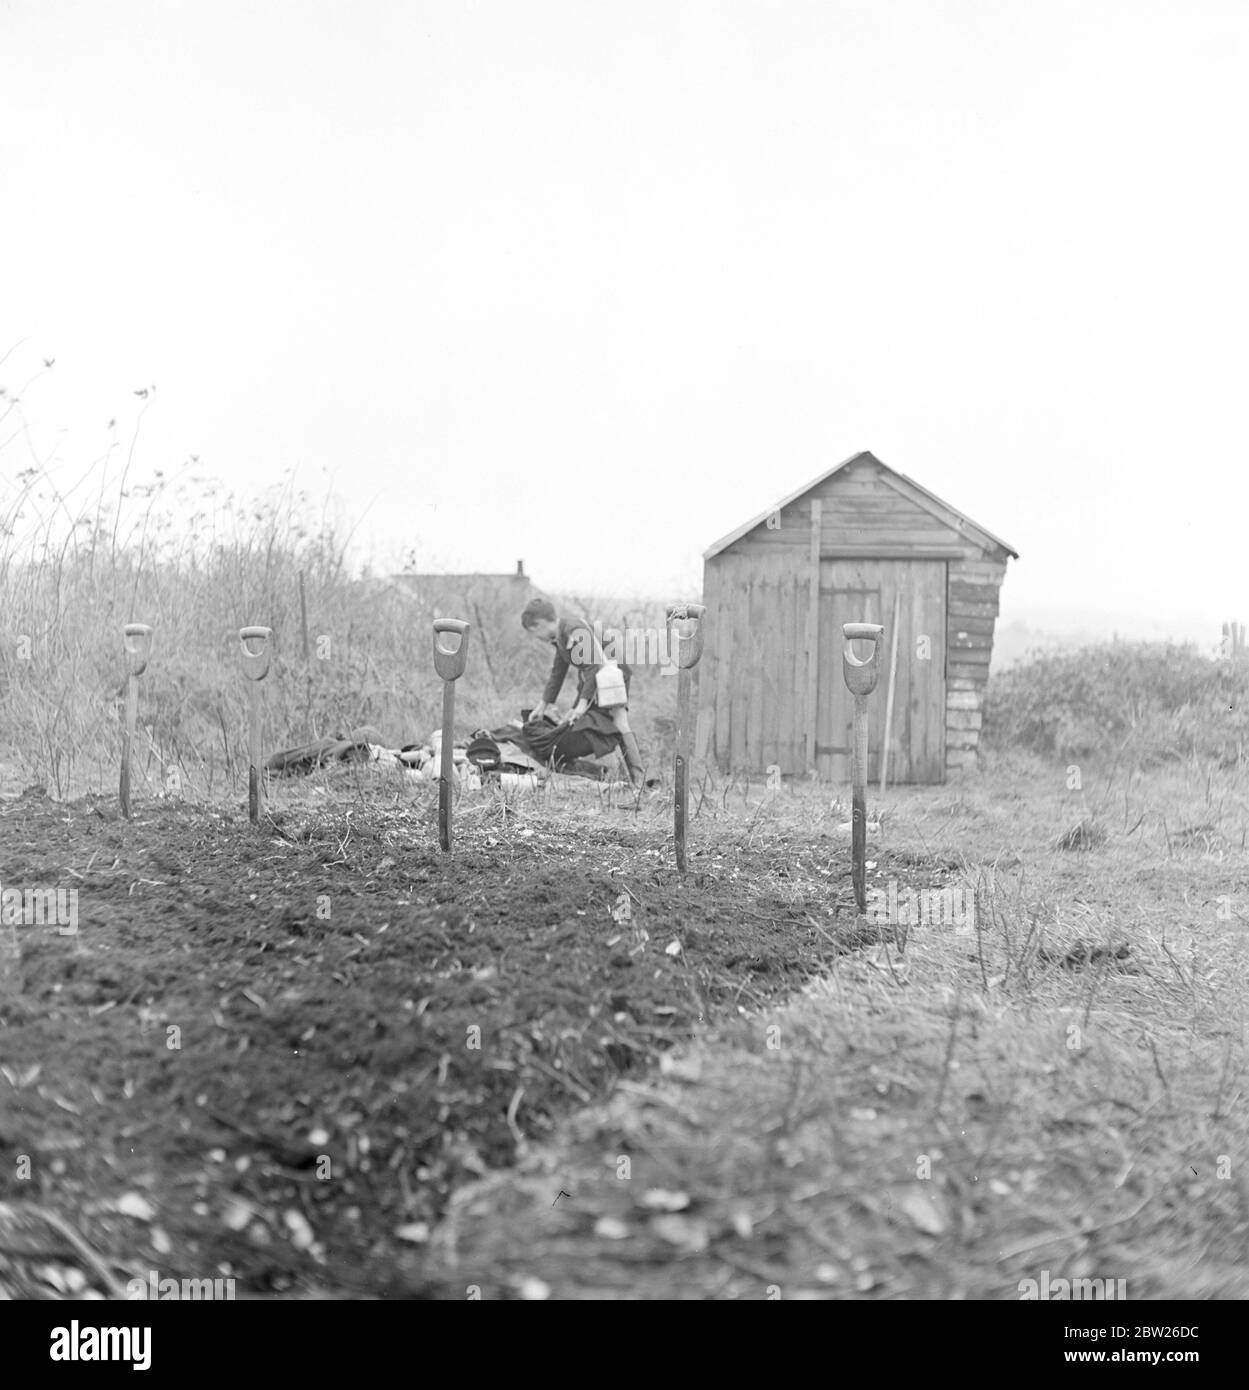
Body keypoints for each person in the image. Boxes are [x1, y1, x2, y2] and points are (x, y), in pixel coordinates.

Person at [521, 597, 645, 782]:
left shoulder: (573, 628)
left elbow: (594, 665)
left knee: (619, 721)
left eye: (533, 632)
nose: (536, 637)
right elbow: (558, 673)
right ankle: (635, 778)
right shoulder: (561, 636)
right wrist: (542, 706)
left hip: (612, 676)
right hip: (598, 679)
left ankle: (640, 780)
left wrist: (581, 705)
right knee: (616, 723)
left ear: (539, 624)